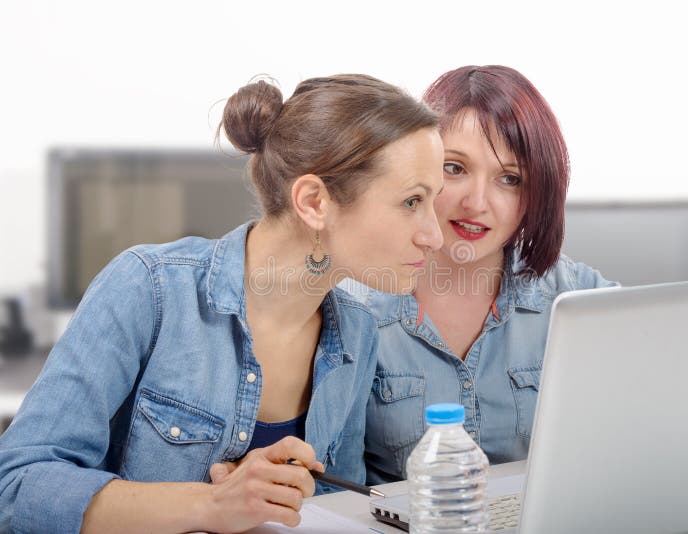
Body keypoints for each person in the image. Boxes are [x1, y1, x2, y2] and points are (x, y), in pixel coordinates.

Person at [0, 74, 444, 533]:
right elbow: (15, 489)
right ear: (313, 201)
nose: (435, 236)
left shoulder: (358, 332)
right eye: (412, 201)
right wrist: (211, 503)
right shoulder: (148, 289)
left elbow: (329, 513)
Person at [360, 65, 618, 484]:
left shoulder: (575, 296)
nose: (476, 202)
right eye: (455, 168)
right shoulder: (356, 305)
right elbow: (330, 494)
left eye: (510, 179)